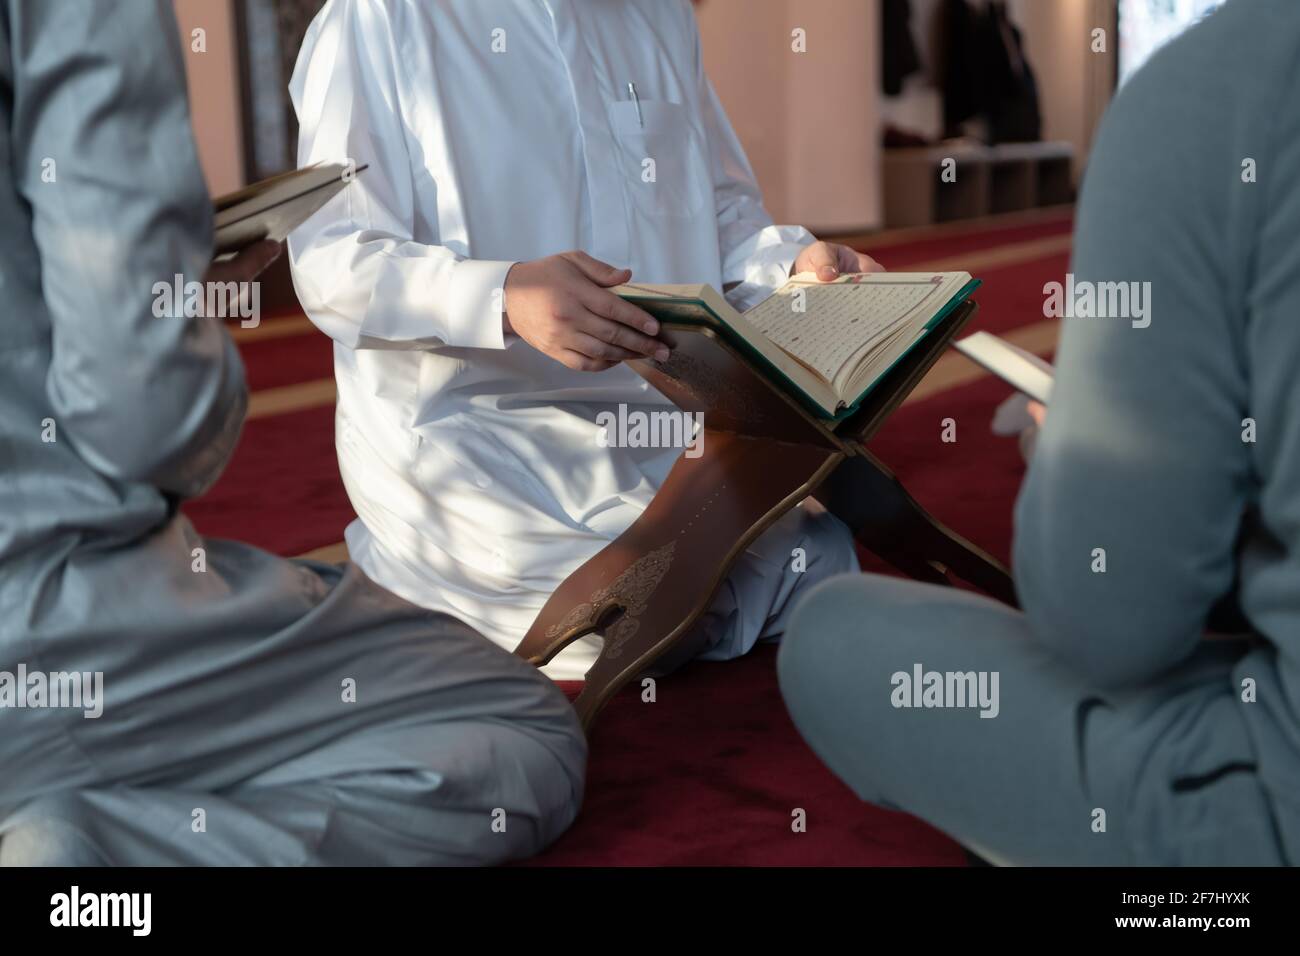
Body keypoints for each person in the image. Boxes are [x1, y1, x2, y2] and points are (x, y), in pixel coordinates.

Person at [0, 0, 584, 866]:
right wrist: (177, 302)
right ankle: (90, 858)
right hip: (47, 623)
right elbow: (145, 419)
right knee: (517, 724)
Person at [777, 0, 1299, 865]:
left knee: (833, 641)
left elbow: (1112, 628)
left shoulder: (1220, 86)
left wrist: (1080, 459)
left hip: (1274, 810)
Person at [288, 0, 879, 679]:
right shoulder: (383, 17)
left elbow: (723, 213)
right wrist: (503, 296)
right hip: (476, 438)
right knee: (620, 618)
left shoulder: (657, 15)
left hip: (663, 432)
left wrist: (794, 268)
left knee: (820, 558)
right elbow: (331, 261)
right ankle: (416, 577)